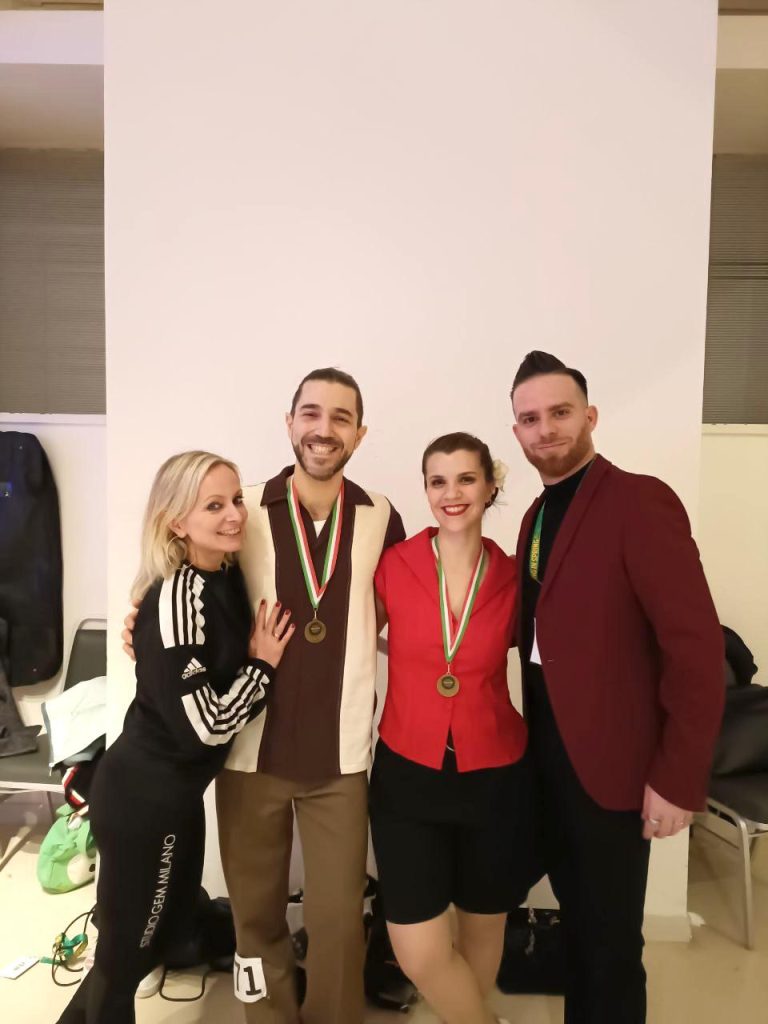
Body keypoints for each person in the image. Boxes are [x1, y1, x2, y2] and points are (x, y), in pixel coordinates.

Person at [509, 351, 724, 1024]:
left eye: (560, 412)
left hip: (614, 769)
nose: (546, 429)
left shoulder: (640, 500)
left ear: (591, 416)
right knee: (577, 933)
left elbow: (696, 650)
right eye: (530, 419)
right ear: (516, 432)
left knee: (610, 947)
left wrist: (678, 778)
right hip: (548, 760)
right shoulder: (535, 517)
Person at [59, 451, 293, 1024]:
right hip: (144, 799)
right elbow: (205, 726)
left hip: (177, 797)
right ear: (176, 522)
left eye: (235, 500)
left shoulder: (223, 575)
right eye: (213, 506)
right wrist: (262, 666)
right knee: (124, 956)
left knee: (164, 928)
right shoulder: (177, 597)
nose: (234, 515)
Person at [210, 370, 404, 1023]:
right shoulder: (242, 507)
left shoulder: (381, 515)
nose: (325, 429)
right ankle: (264, 1018)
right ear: (290, 422)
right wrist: (141, 613)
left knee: (338, 920)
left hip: (339, 755)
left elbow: (403, 605)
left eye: (341, 417)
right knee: (253, 919)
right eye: (312, 413)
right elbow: (189, 576)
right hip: (248, 751)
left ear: (360, 433)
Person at [370, 432, 533, 1024]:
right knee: (419, 950)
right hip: (407, 774)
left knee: (482, 930)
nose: (452, 493)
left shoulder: (515, 578)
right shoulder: (395, 565)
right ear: (426, 490)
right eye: (438, 481)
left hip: (494, 774)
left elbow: (569, 644)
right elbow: (338, 633)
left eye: (466, 479)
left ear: (490, 486)